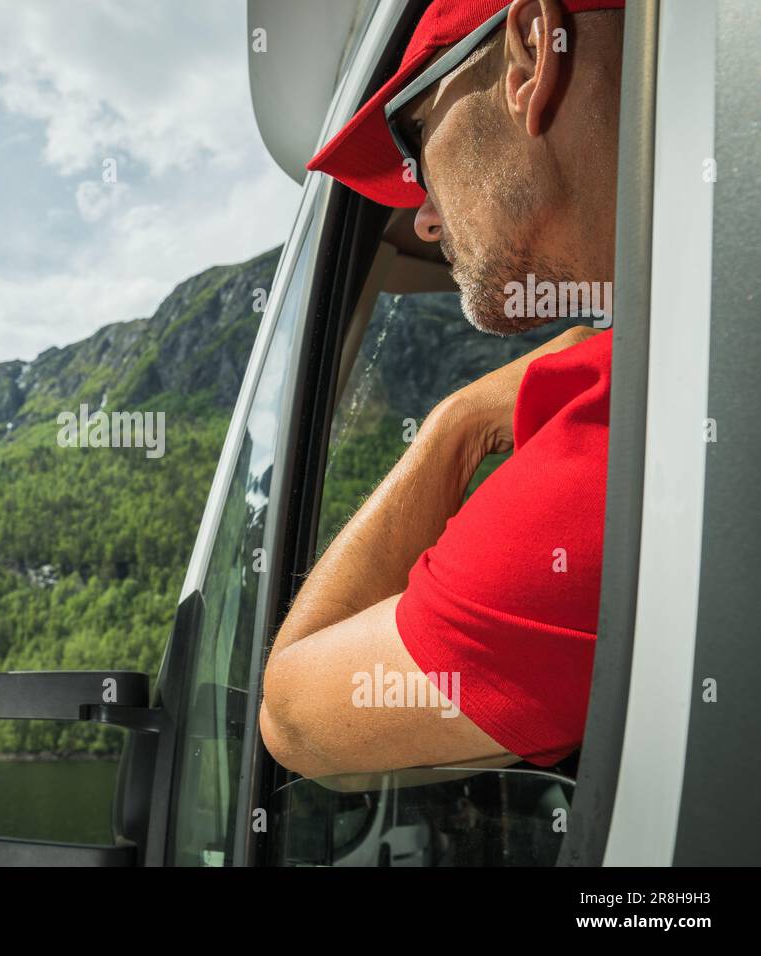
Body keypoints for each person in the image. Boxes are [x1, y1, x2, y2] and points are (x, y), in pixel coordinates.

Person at [259, 0, 625, 779]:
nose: (424, 218)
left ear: (529, 55)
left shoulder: (620, 439)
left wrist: (454, 425)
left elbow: (292, 715)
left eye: (412, 141)